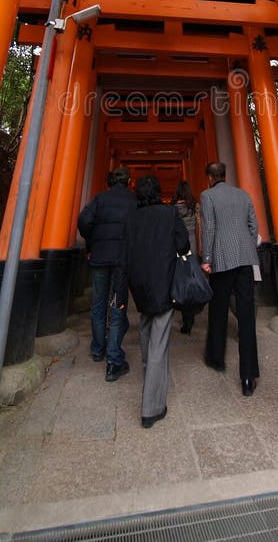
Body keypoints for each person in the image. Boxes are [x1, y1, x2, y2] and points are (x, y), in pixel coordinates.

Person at [120, 174, 189, 428]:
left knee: (146, 327)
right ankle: (152, 407)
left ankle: (150, 372)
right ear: (159, 191)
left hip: (139, 285)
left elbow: (124, 253)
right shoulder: (169, 215)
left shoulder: (131, 219)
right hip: (163, 282)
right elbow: (183, 244)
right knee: (159, 341)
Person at [199, 161, 260, 397]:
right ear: (225, 175)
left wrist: (207, 257)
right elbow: (253, 225)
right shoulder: (243, 195)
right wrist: (245, 244)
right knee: (246, 315)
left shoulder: (207, 196)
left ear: (210, 178)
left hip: (222, 259)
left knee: (218, 308)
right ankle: (248, 376)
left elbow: (209, 228)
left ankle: (216, 358)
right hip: (245, 258)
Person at [77, 166, 137, 382]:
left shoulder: (99, 199)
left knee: (98, 303)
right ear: (129, 182)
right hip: (122, 259)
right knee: (117, 304)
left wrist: (92, 241)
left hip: (100, 257)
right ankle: (113, 360)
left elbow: (83, 220)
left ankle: (97, 349)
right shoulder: (133, 200)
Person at [170, 179, 200, 334]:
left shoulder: (172, 209)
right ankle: (190, 314)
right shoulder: (194, 207)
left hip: (177, 247)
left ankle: (178, 305)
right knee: (190, 280)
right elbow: (199, 227)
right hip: (192, 246)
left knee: (178, 280)